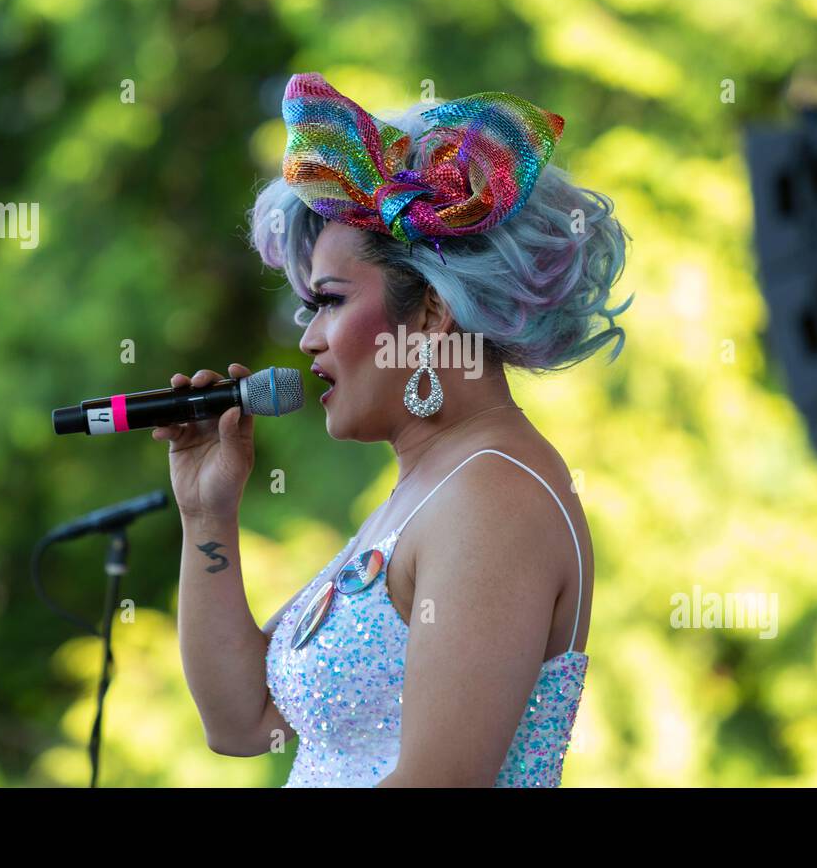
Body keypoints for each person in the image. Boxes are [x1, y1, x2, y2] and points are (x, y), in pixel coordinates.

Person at [157, 72, 632, 786]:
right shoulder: (424, 491)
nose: (310, 339)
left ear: (433, 313)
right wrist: (207, 513)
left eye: (329, 302)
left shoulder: (494, 497)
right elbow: (244, 721)